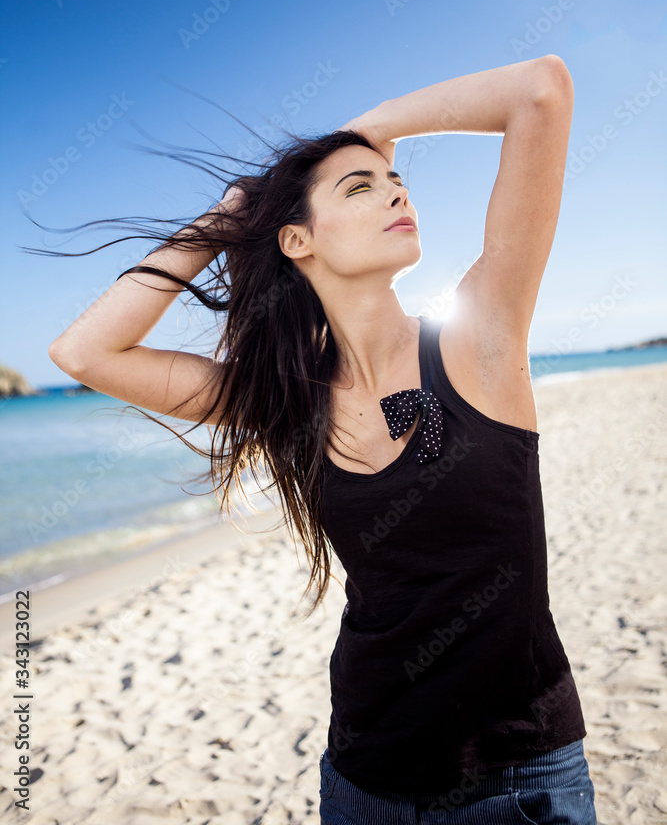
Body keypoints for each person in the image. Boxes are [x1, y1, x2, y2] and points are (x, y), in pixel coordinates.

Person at [46, 54, 597, 824]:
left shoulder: (478, 342)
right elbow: (84, 353)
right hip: (361, 780)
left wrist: (367, 132)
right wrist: (222, 223)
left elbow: (541, 90)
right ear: (297, 242)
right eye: (359, 187)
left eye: (395, 181)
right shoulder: (285, 399)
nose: (396, 191)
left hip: (515, 782)